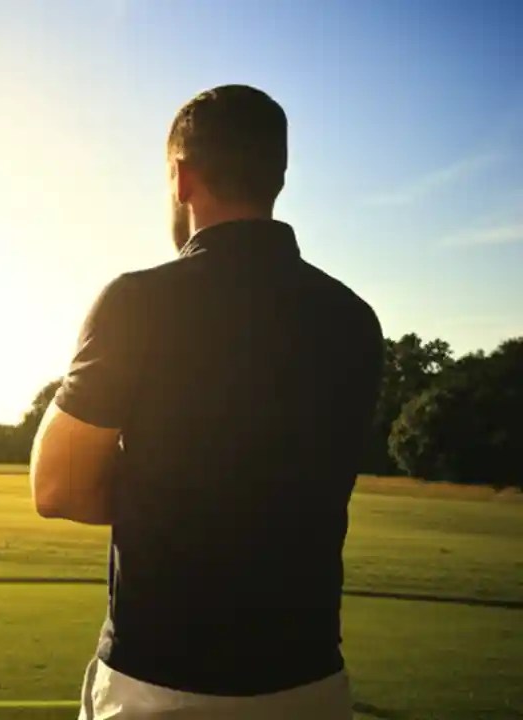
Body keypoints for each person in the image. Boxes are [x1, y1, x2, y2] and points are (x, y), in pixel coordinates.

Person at [30, 85, 383, 719]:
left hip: (163, 687)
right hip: (312, 686)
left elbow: (58, 487)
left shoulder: (139, 301)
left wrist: (167, 495)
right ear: (277, 176)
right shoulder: (354, 319)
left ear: (183, 177)